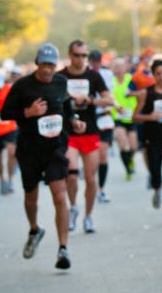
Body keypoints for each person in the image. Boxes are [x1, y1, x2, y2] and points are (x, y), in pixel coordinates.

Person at [0, 43, 86, 269]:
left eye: (51, 65)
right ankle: (34, 229)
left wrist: (74, 119)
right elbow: (4, 113)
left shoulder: (60, 82)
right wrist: (27, 113)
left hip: (55, 148)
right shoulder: (22, 86)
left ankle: (63, 250)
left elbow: (66, 106)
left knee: (59, 197)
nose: (48, 69)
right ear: (38, 63)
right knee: (31, 197)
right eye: (44, 64)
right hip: (29, 149)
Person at [58, 40, 114, 234]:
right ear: (70, 55)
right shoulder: (61, 76)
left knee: (91, 178)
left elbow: (110, 100)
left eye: (84, 56)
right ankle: (73, 206)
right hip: (68, 133)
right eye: (77, 55)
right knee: (71, 173)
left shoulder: (93, 75)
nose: (81, 59)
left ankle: (88, 216)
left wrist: (90, 100)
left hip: (90, 131)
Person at [133, 59, 162, 225]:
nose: (161, 77)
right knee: (155, 172)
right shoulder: (147, 93)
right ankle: (157, 188)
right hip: (153, 136)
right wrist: (150, 117)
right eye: (158, 73)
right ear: (153, 75)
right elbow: (135, 116)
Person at [89, 50, 116, 204]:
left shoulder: (107, 75)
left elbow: (109, 98)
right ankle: (92, 186)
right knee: (93, 158)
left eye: (98, 61)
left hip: (105, 117)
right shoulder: (86, 75)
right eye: (93, 61)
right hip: (91, 119)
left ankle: (101, 189)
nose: (95, 64)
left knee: (103, 153)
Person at [110, 58, 138, 181]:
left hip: (131, 116)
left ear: (126, 67)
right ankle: (127, 168)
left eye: (121, 66)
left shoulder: (131, 80)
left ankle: (130, 159)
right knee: (122, 142)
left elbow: (139, 94)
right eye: (116, 66)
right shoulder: (111, 82)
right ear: (113, 69)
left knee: (133, 146)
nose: (119, 69)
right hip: (117, 116)